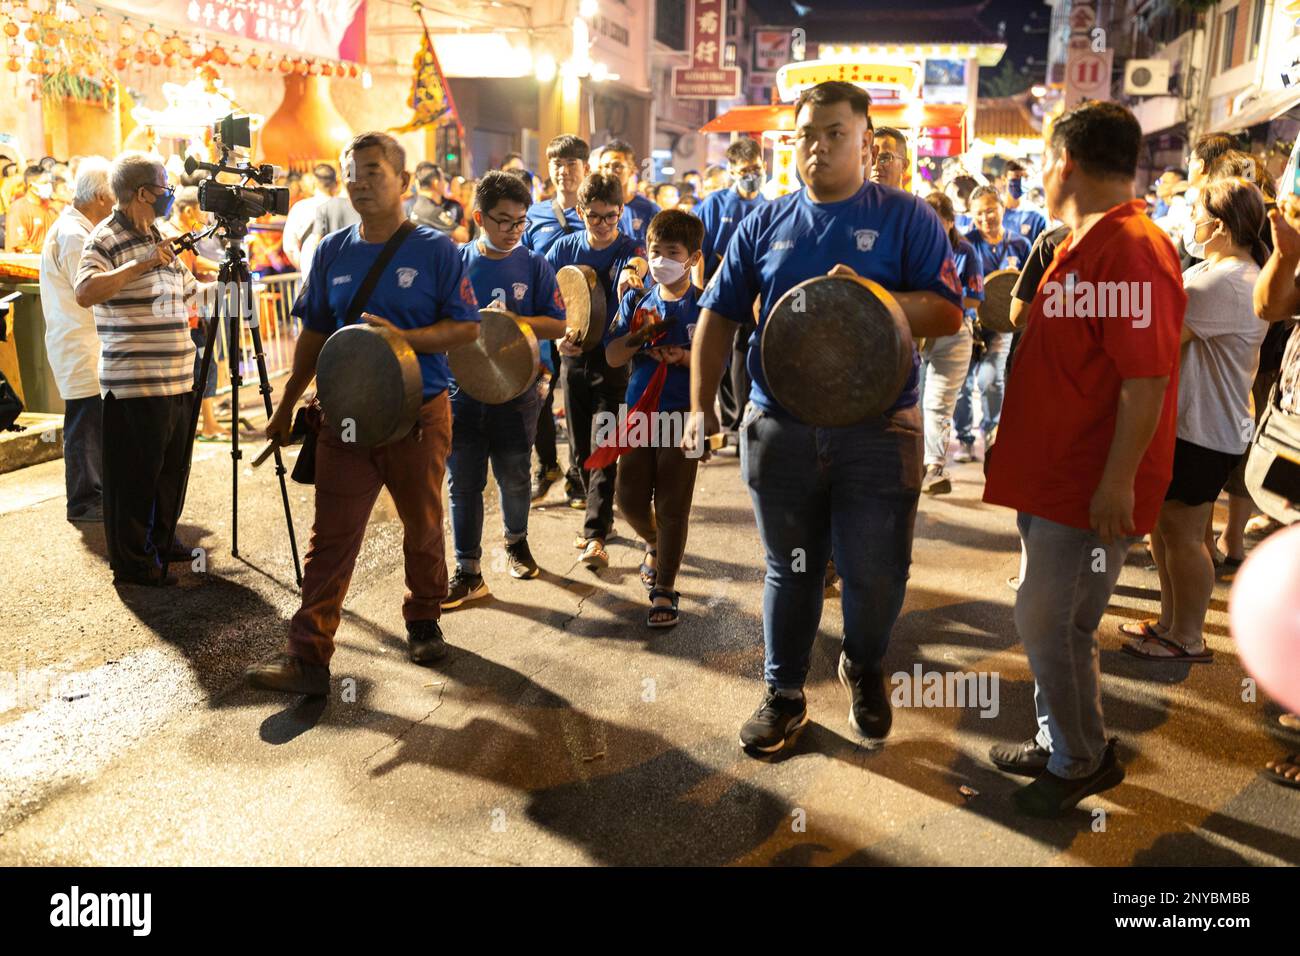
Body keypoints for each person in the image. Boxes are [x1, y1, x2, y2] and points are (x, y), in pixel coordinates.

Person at [685, 81, 964, 755]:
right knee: (791, 566)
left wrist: (873, 297)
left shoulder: (907, 218)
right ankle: (784, 693)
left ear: (866, 142)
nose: (818, 146)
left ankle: (864, 666)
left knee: (875, 573)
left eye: (835, 133)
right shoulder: (765, 223)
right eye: (807, 134)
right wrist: (699, 411)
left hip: (879, 431)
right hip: (779, 426)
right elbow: (718, 315)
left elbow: (947, 311)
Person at [984, 100, 1186, 817]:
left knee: (1046, 621)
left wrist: (1115, 485)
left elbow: (1147, 380)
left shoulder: (1130, 247)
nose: (1039, 173)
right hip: (1058, 476)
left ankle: (1079, 759)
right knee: (1063, 625)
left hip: (1085, 486)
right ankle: (1066, 742)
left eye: (1042, 159)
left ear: (1063, 162)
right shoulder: (1086, 239)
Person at [245, 132, 481, 696]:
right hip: (344, 418)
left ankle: (424, 618)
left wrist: (407, 338)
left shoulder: (438, 249)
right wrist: (283, 407)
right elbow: (314, 334)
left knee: (422, 526)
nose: (360, 181)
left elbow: (467, 327)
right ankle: (307, 657)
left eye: (374, 171)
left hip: (418, 416)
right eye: (352, 172)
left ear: (402, 181)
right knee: (331, 538)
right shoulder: (329, 251)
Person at [1121, 176, 1268, 663]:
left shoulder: (1224, 282)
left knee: (1185, 536)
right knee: (1166, 530)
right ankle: (1168, 622)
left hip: (1202, 429)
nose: (1190, 222)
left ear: (1220, 225)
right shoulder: (1223, 270)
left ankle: (1188, 635)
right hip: (1199, 424)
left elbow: (1155, 338)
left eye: (1196, 213)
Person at [443, 171, 568, 608]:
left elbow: (558, 322)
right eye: (503, 221)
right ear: (479, 217)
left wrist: (511, 324)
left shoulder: (534, 264)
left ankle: (516, 543)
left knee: (514, 474)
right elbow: (439, 322)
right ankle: (467, 569)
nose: (514, 231)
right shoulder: (457, 261)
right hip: (462, 391)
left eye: (520, 222)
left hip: (519, 390)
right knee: (463, 482)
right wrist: (475, 321)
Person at [73, 152, 198, 587]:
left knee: (170, 471)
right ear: (143, 192)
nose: (170, 195)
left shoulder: (162, 234)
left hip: (178, 379)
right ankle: (132, 562)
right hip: (136, 384)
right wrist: (143, 263)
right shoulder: (104, 239)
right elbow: (86, 291)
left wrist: (232, 287)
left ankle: (162, 540)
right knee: (134, 479)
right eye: (165, 187)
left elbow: (191, 293)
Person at [604, 209, 704, 627]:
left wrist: (683, 356)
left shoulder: (704, 306)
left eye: (672, 252)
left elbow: (714, 360)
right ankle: (656, 542)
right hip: (639, 412)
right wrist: (639, 338)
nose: (661, 259)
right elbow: (611, 356)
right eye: (654, 251)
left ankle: (665, 586)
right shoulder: (635, 301)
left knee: (672, 503)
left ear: (693, 259)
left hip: (683, 415)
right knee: (627, 497)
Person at [545, 172, 645, 567]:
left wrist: (631, 274)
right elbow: (547, 301)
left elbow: (636, 265)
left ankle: (594, 535)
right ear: (581, 211)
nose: (603, 225)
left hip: (614, 359)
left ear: (621, 211)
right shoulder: (562, 248)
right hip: (573, 358)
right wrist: (556, 337)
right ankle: (599, 516)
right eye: (595, 217)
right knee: (581, 450)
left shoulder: (627, 246)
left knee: (604, 447)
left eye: (611, 216)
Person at [40, 156, 114, 524]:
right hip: (79, 343)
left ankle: (93, 495)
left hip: (84, 342)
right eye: (113, 197)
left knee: (91, 421)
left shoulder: (77, 229)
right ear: (101, 196)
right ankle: (84, 500)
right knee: (84, 423)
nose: (115, 205)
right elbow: (88, 291)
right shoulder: (73, 234)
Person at [522, 135, 590, 505]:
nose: (564, 172)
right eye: (557, 165)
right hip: (545, 322)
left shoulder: (598, 212)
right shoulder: (534, 215)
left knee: (579, 401)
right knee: (540, 397)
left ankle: (579, 474)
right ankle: (547, 465)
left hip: (587, 324)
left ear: (585, 168)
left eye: (571, 164)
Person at [695, 136, 767, 449]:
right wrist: (697, 291)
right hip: (717, 288)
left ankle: (738, 420)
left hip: (754, 294)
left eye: (756, 168)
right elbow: (697, 250)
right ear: (732, 171)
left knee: (742, 351)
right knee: (718, 354)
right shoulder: (715, 204)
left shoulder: (767, 207)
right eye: (745, 169)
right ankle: (723, 415)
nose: (752, 174)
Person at [952, 184, 1031, 462]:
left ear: (1002, 209)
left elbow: (1031, 286)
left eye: (991, 211)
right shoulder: (963, 243)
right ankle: (963, 438)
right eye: (979, 214)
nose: (986, 218)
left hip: (1001, 327)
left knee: (990, 380)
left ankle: (991, 432)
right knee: (960, 385)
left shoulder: (1020, 244)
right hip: (968, 325)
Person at [918, 191, 980, 495]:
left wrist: (941, 302)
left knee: (937, 404)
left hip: (953, 334)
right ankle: (912, 464)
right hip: (916, 333)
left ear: (951, 222)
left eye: (937, 222)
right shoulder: (913, 245)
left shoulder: (965, 250)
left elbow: (975, 297)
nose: (931, 228)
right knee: (912, 402)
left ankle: (934, 468)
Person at [159, 187, 225, 441]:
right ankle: (203, 424)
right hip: (182, 316)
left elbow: (196, 265)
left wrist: (225, 268)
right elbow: (185, 276)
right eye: (199, 209)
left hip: (194, 313)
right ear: (187, 210)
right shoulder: (170, 237)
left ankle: (208, 422)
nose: (203, 216)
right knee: (198, 370)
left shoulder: (184, 236)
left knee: (205, 367)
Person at [597, 139, 660, 247]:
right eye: (606, 166)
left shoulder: (649, 209)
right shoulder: (593, 209)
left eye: (617, 166)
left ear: (632, 170)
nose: (610, 171)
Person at [282, 163, 338, 271]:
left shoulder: (300, 208)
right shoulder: (347, 206)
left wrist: (305, 268)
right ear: (335, 183)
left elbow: (289, 247)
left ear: (314, 182)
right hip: (340, 275)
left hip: (311, 273)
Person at [5, 165, 57, 253]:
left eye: (49, 182)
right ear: (30, 185)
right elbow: (20, 246)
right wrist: (47, 252)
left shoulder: (50, 207)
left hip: (48, 261)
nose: (49, 186)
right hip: (25, 264)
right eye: (44, 183)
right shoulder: (18, 208)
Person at [408, 164, 462, 239]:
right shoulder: (432, 209)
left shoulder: (415, 203)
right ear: (436, 183)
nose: (445, 183)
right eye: (443, 179)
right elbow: (463, 235)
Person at [1001, 159, 1047, 245]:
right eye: (1016, 176)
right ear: (1004, 179)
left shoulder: (1037, 216)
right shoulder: (995, 212)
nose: (1021, 181)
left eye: (1026, 177)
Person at [869, 126, 908, 191]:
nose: (876, 166)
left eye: (884, 158)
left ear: (904, 165)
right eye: (871, 158)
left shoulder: (913, 201)